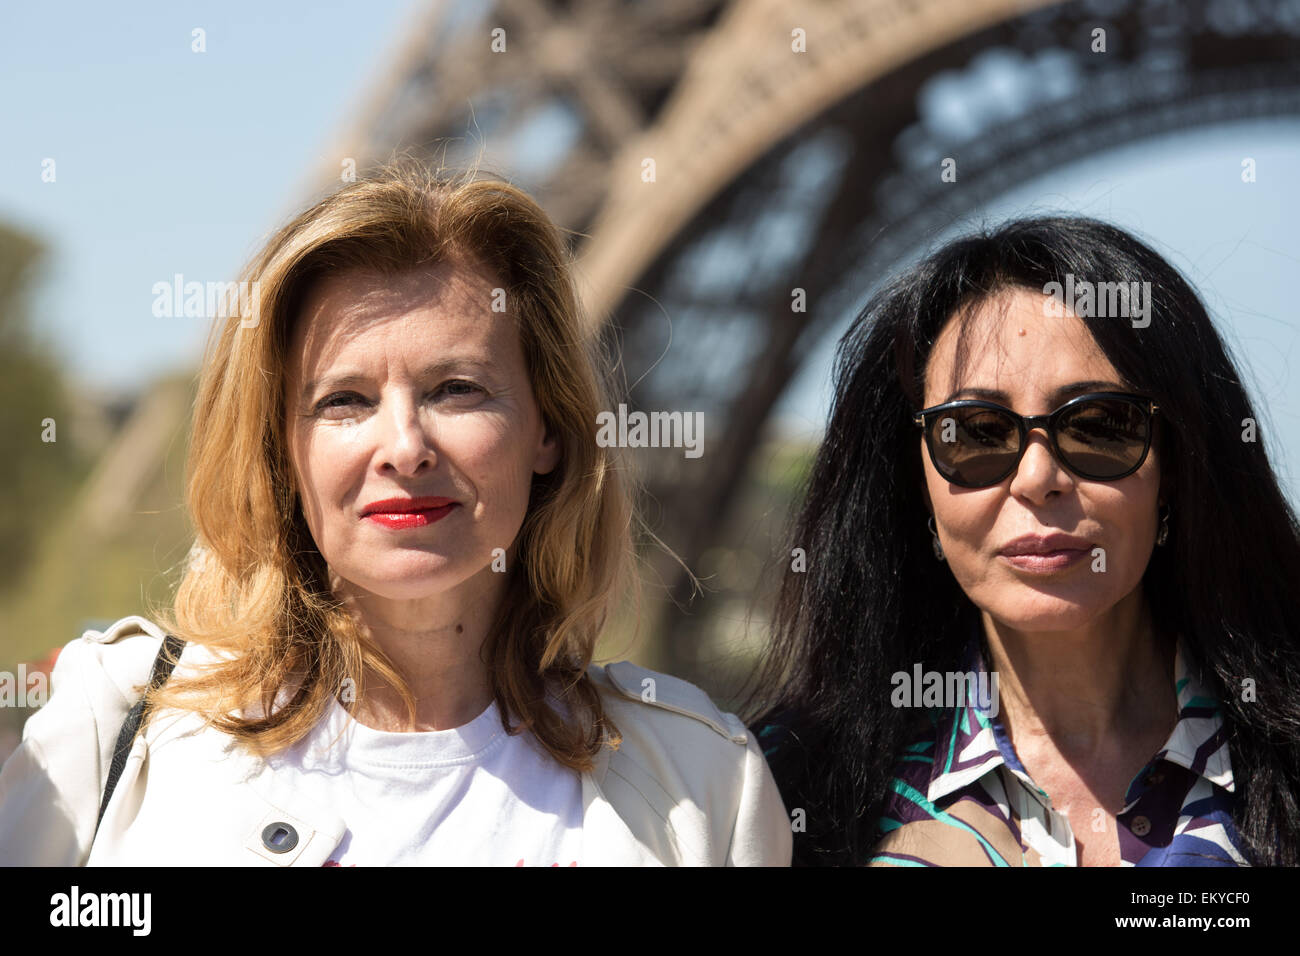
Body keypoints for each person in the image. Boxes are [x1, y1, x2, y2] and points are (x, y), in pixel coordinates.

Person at [0, 162, 791, 866]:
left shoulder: (704, 782)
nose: (405, 447)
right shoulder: (118, 731)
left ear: (547, 429)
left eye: (457, 389)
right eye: (344, 401)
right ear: (282, 453)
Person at [747, 216, 1300, 866]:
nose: (1038, 479)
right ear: (917, 486)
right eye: (976, 433)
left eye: (1099, 425)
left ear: (1176, 469)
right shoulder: (779, 790)